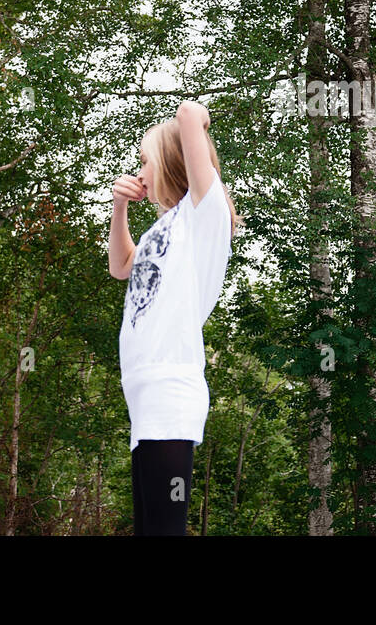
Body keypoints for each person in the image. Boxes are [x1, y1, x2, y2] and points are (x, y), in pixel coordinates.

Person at [108, 99, 240, 535]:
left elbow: (188, 111)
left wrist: (195, 124)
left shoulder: (204, 214)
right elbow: (120, 267)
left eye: (145, 162)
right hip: (144, 397)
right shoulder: (162, 227)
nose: (140, 173)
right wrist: (119, 207)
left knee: (165, 529)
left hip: (171, 391)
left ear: (169, 161)